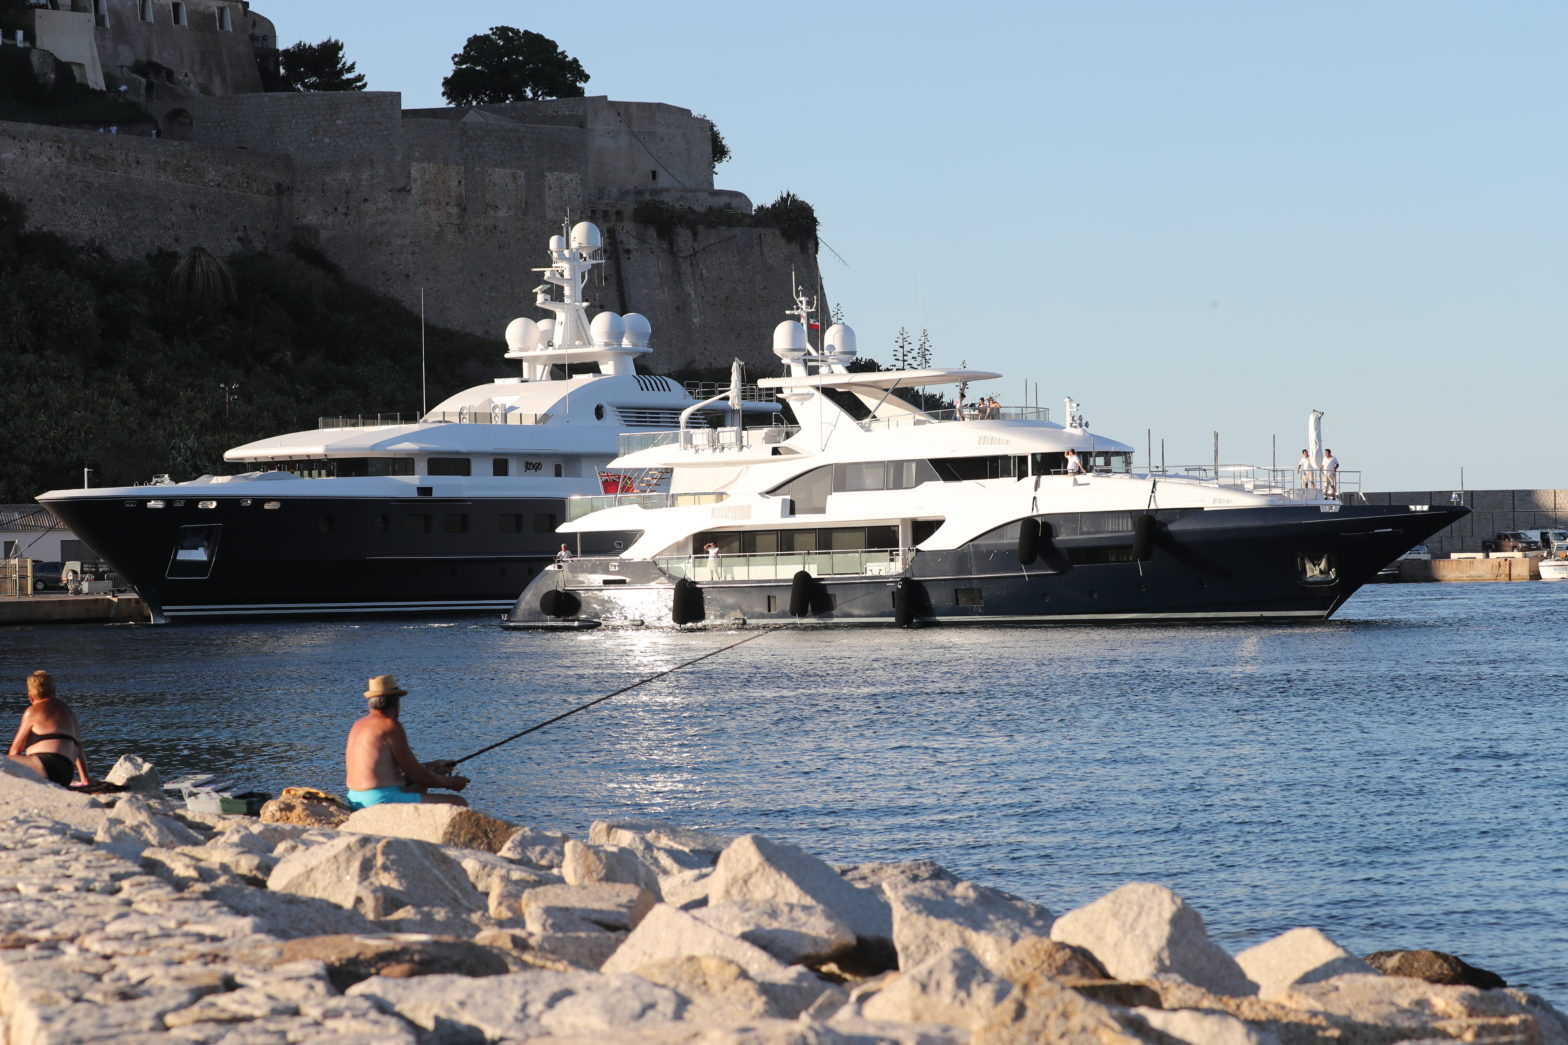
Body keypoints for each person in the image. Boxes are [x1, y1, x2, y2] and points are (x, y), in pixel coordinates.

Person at [344, 674, 469, 810]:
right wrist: (450, 783)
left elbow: (406, 772)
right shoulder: (390, 725)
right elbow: (417, 774)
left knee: (421, 783)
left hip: (354, 798)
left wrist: (433, 766)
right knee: (458, 803)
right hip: (379, 801)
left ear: (370, 703)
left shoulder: (358, 724)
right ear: (396, 702)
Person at [8, 670, 90, 787]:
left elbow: (14, 752)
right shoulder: (69, 712)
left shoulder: (33, 711)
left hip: (45, 765)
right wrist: (85, 779)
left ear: (31, 697)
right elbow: (78, 747)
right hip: (66, 772)